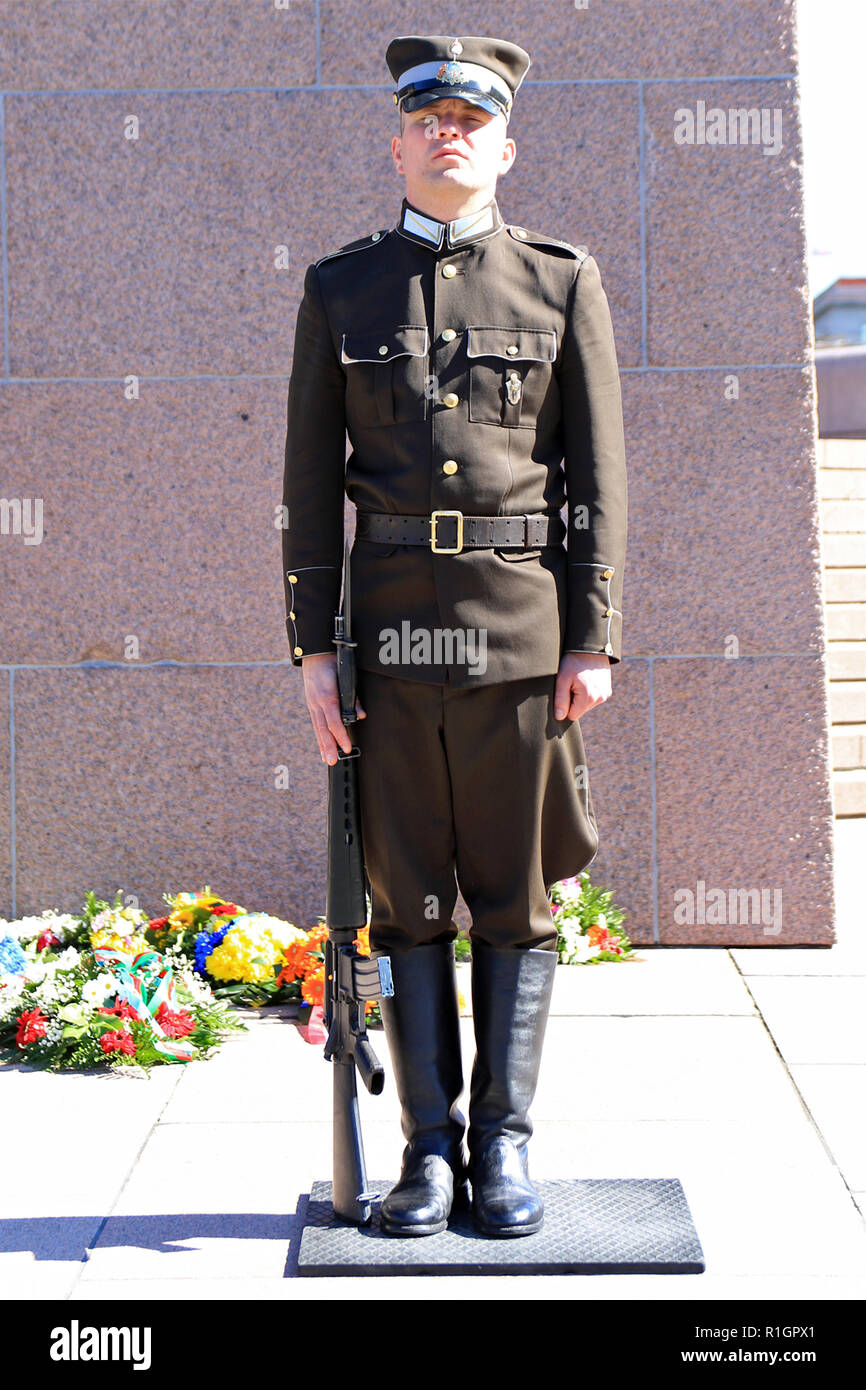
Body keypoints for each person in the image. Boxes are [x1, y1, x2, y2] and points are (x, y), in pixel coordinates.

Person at [281, 33, 628, 1238]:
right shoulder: (341, 287)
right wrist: (312, 651)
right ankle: (427, 1152)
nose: (447, 132)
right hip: (385, 638)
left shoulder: (558, 279)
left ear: (503, 144)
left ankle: (504, 1148)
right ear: (396, 141)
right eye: (426, 115)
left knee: (515, 900)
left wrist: (594, 634)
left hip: (519, 638)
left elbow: (599, 474)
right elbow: (306, 479)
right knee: (407, 899)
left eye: (469, 118)